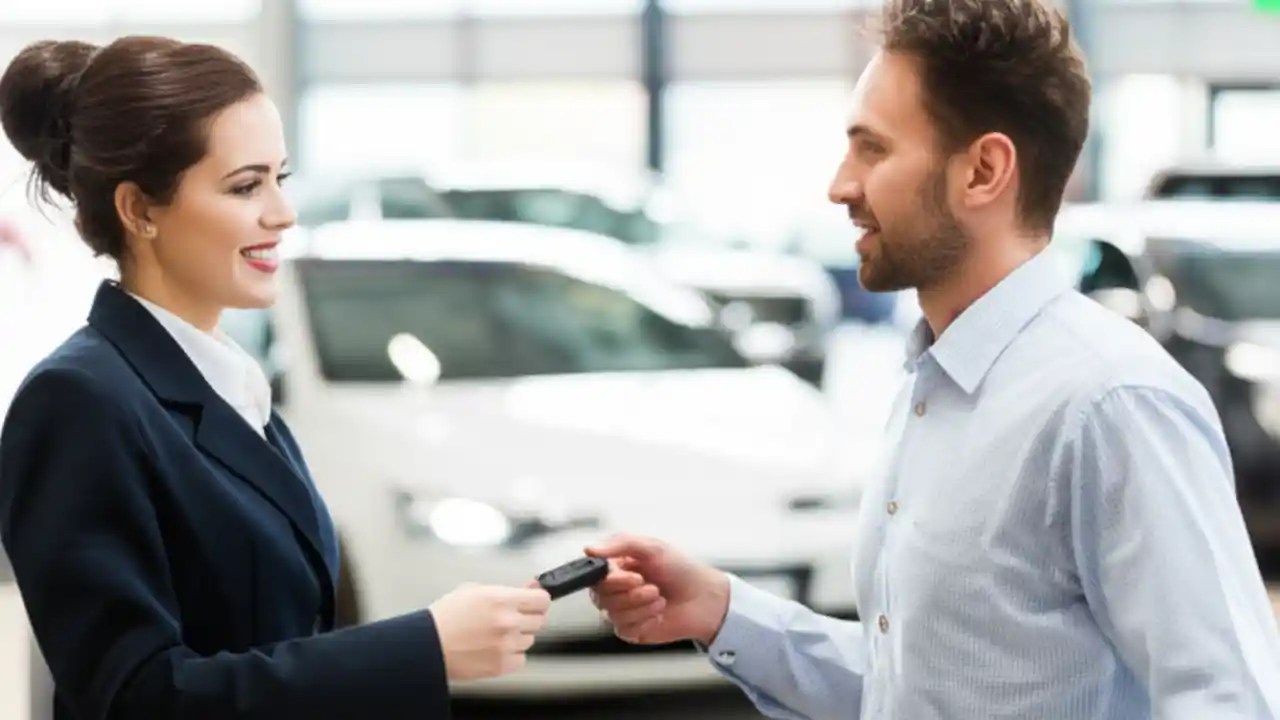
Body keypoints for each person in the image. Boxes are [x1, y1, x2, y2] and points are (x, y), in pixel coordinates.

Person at [588, 1, 1280, 718]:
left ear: (983, 170)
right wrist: (721, 610)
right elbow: (915, 686)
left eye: (874, 149)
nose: (840, 185)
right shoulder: (936, 384)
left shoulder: (1112, 402)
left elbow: (1227, 700)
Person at [0, 37, 551, 719]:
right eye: (245, 186)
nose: (283, 213)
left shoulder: (223, 379)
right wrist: (422, 648)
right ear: (139, 210)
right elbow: (137, 700)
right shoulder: (80, 401)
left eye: (279, 179)